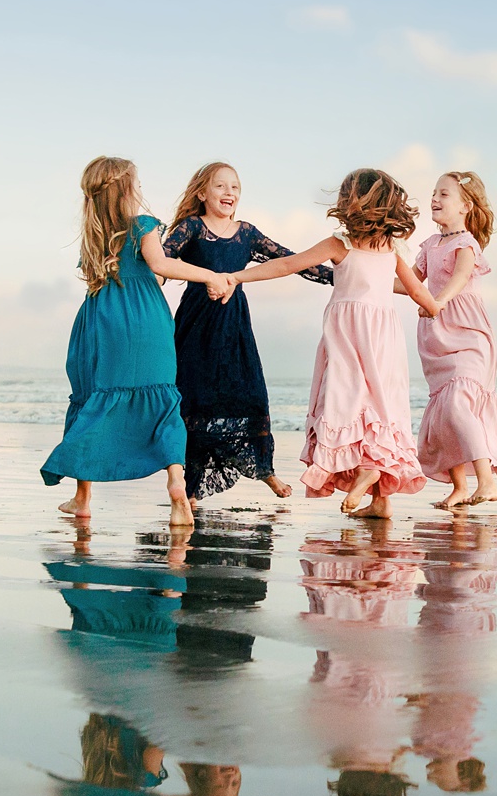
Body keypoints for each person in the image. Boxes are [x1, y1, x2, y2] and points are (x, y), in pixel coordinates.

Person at [215, 168, 439, 518]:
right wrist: (433, 307)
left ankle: (367, 470)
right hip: (384, 339)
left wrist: (237, 276)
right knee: (382, 403)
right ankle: (380, 501)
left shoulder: (340, 244)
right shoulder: (393, 248)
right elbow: (415, 290)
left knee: (347, 399)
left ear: (350, 204)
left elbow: (286, 265)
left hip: (347, 335)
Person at [40, 156, 232, 525]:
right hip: (147, 320)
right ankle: (177, 483)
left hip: (100, 324)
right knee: (162, 400)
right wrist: (209, 275)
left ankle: (82, 499)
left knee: (94, 402)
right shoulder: (142, 226)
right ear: (127, 190)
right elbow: (159, 265)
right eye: (137, 183)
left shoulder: (93, 237)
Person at [160, 161, 333, 502]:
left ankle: (264, 470)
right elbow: (164, 260)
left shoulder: (247, 232)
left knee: (248, 391)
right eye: (221, 186)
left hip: (234, 322)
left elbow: (288, 259)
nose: (230, 193)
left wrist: (339, 276)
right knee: (195, 396)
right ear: (202, 193)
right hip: (196, 322)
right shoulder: (190, 227)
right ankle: (191, 487)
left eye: (235, 187)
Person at [411, 171, 497, 508]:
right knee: (444, 412)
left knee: (458, 404)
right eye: (434, 193)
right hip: (435, 339)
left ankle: (487, 482)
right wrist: (367, 278)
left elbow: (458, 278)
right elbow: (411, 283)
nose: (435, 199)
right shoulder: (429, 245)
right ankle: (458, 487)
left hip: (469, 335)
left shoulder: (465, 243)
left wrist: (438, 302)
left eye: (444, 195)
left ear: (466, 206)